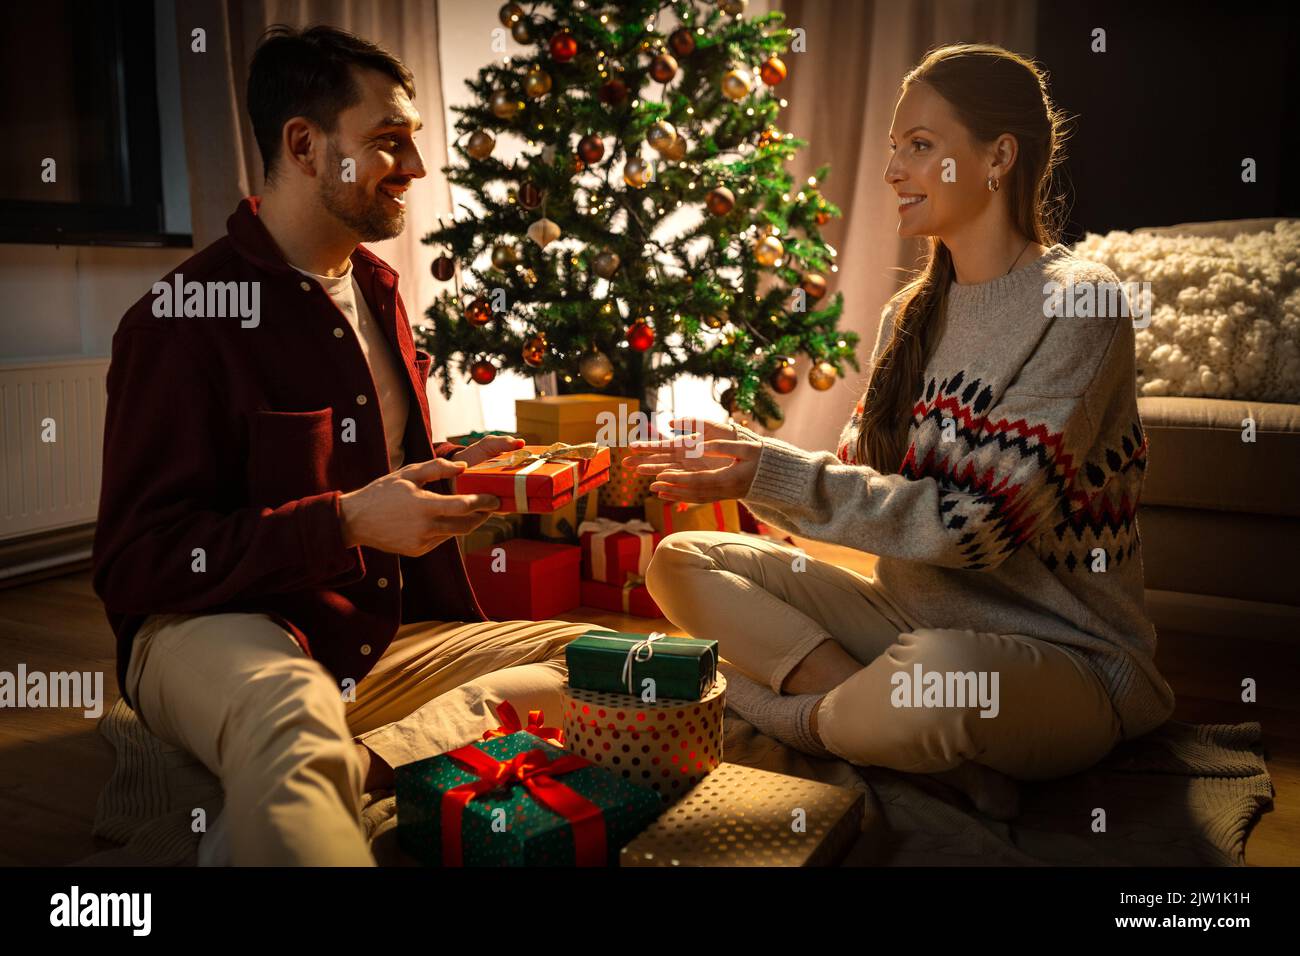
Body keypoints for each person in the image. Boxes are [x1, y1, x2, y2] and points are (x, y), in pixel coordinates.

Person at [92, 25, 603, 865]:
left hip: (368, 637)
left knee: (599, 666)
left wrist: (442, 479)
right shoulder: (179, 322)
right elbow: (136, 563)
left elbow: (377, 481)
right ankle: (312, 766)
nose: (417, 169)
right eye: (388, 143)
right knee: (289, 712)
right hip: (212, 624)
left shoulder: (376, 290)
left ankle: (350, 768)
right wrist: (348, 524)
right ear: (304, 145)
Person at [629, 44, 1176, 820]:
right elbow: (870, 484)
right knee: (680, 563)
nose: (892, 169)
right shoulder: (908, 314)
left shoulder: (1080, 303)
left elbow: (975, 530)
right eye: (893, 147)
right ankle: (879, 726)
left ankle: (801, 716)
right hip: (903, 622)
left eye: (919, 145)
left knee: (932, 679)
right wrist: (744, 461)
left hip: (1068, 660)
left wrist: (771, 473)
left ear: (998, 157)